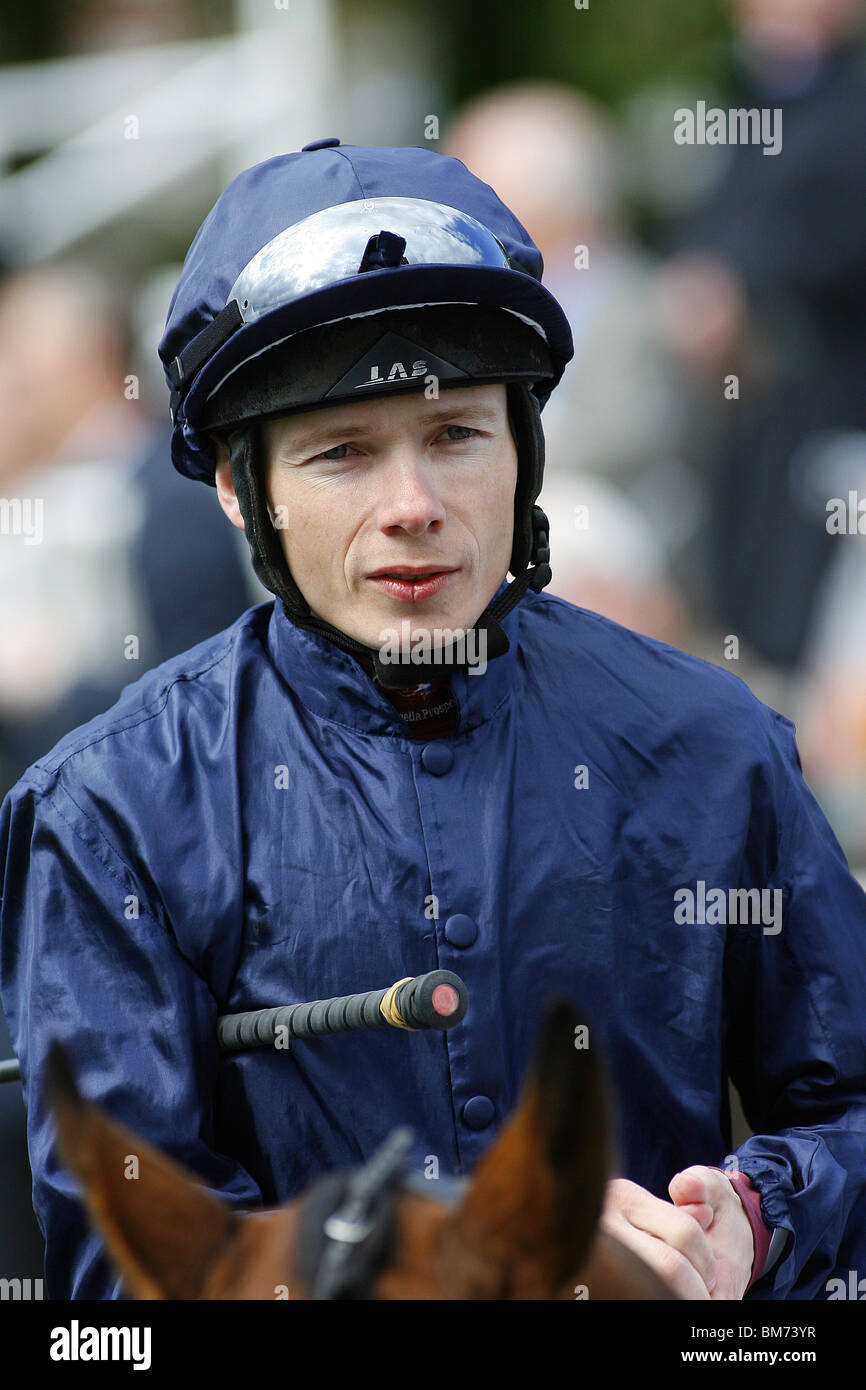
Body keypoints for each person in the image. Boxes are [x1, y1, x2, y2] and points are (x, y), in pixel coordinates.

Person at [0, 141, 864, 1301]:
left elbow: (847, 1106)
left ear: (523, 450)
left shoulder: (714, 742)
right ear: (240, 490)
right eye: (343, 453)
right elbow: (123, 1266)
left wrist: (752, 1222)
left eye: (455, 435)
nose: (413, 508)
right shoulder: (110, 812)